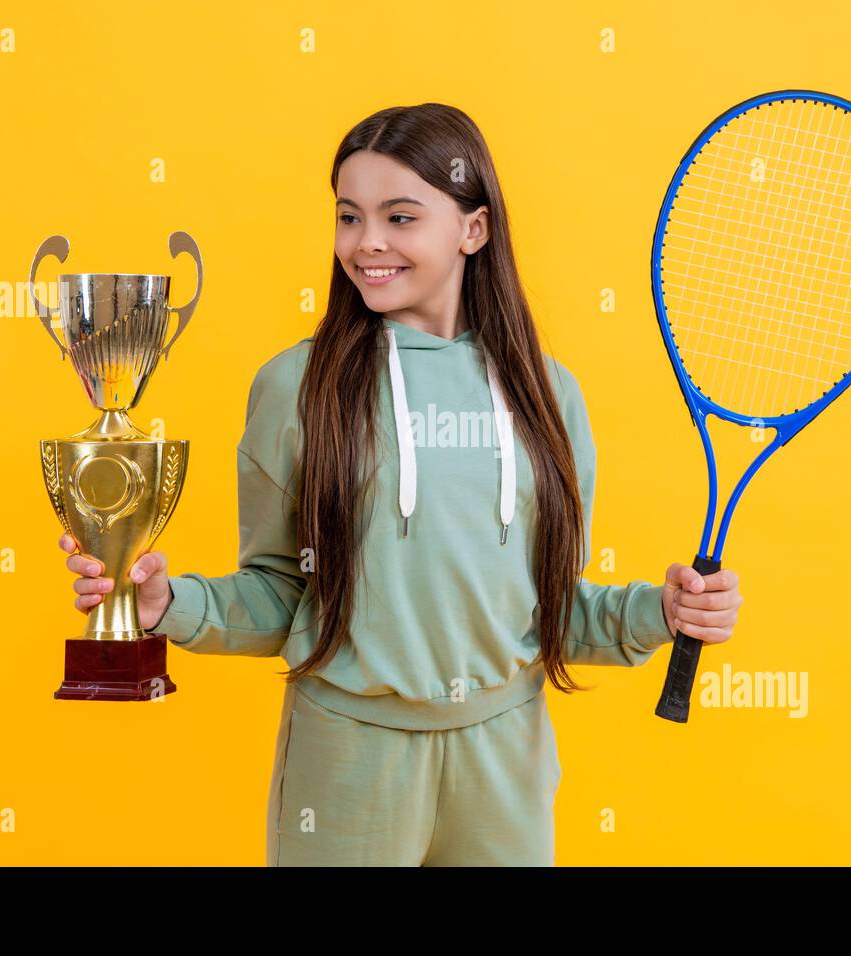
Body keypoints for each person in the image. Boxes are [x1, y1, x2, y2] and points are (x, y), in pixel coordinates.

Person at [60, 103, 743, 866]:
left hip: (504, 763)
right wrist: (166, 605)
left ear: (473, 230)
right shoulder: (296, 387)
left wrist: (664, 611)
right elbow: (283, 595)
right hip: (346, 762)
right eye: (350, 217)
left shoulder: (550, 396)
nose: (367, 244)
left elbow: (551, 609)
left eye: (400, 216)